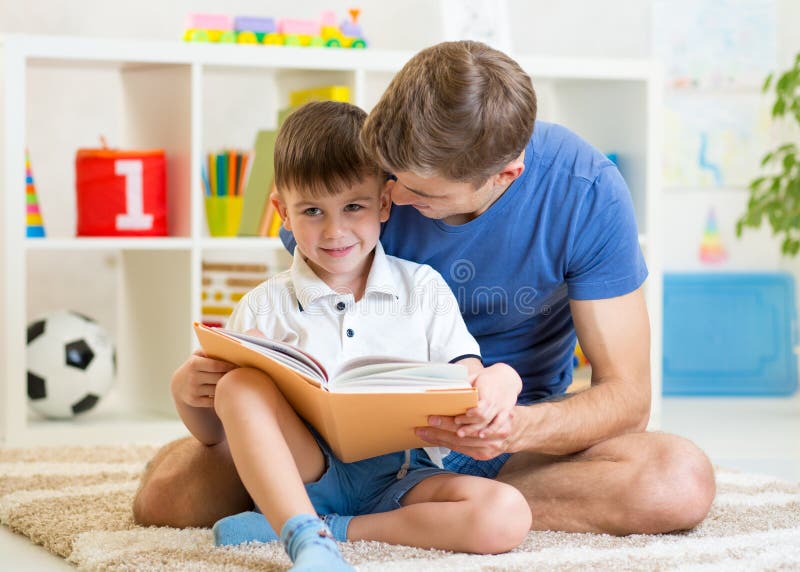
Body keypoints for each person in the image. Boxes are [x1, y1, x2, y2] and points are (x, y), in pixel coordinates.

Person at [134, 40, 716, 537]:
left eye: (421, 193)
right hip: (338, 444)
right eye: (389, 177)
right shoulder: (361, 187)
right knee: (165, 498)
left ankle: (374, 516)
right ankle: (377, 510)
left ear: (504, 176)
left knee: (676, 480)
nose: (392, 199)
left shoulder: (584, 191)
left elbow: (627, 398)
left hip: (507, 440)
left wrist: (514, 428)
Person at [159, 100, 532, 569]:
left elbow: (468, 375)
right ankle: (303, 536)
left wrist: (502, 379)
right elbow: (217, 435)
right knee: (238, 384)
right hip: (303, 474)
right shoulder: (263, 304)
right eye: (313, 210)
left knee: (506, 514)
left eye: (353, 207)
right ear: (283, 212)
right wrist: (185, 392)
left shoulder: (423, 287)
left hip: (402, 474)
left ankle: (332, 531)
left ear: (384, 203)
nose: (335, 231)